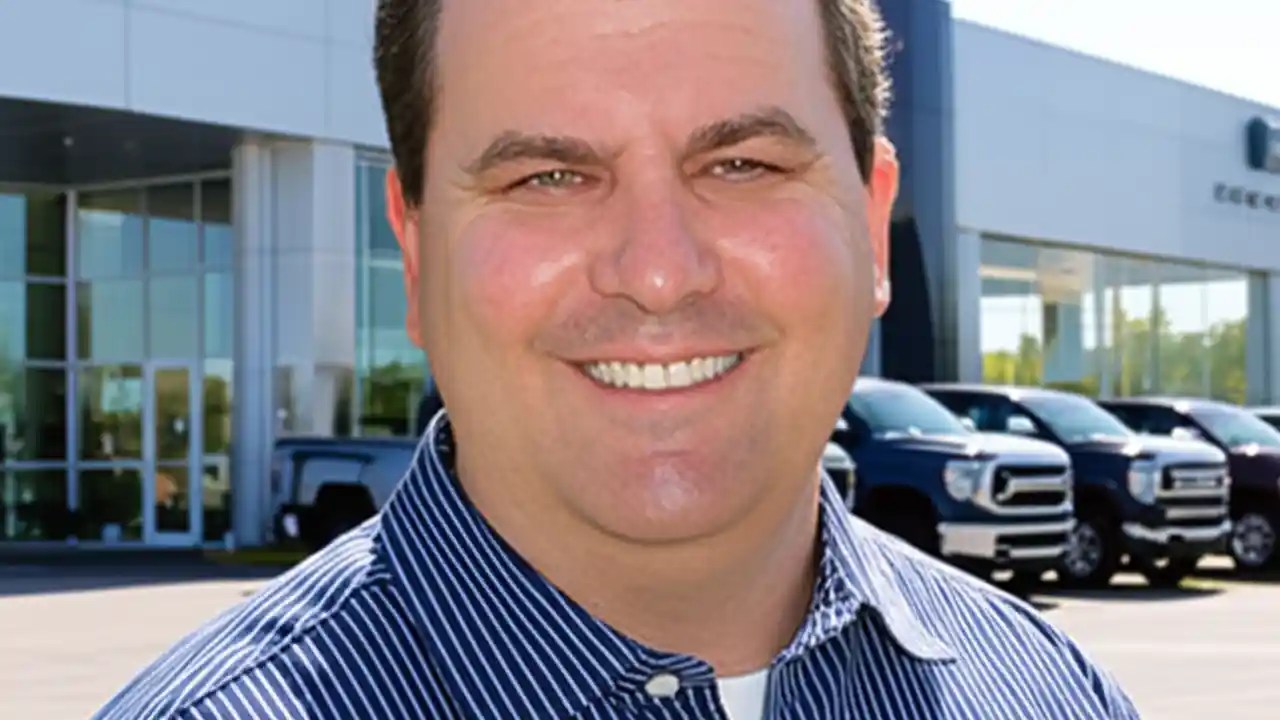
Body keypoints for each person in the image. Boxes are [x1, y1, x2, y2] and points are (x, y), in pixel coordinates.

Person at [94, 0, 1142, 718]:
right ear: (414, 254)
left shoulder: (1047, 691)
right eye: (547, 177)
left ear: (870, 231)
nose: (656, 271)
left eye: (740, 163)